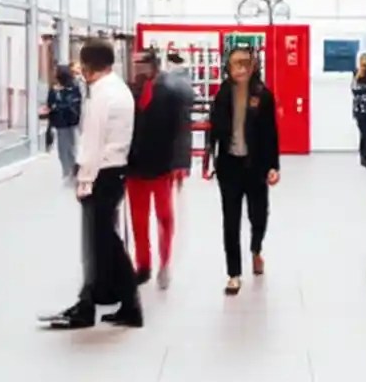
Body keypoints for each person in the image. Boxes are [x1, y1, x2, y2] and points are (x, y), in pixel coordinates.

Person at [41, 40, 143, 329]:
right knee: (101, 243)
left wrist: (84, 180)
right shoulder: (118, 89)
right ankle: (96, 301)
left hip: (102, 173)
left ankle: (123, 304)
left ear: (86, 65)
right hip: (114, 170)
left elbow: (92, 141)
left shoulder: (101, 94)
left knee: (104, 243)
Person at [204, 46, 281, 296]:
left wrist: (273, 166)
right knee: (230, 220)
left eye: (246, 63)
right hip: (229, 167)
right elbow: (213, 131)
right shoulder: (222, 95)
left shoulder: (263, 95)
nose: (241, 68)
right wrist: (208, 160)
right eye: (236, 63)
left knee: (258, 215)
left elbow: (271, 134)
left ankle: (256, 249)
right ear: (228, 67)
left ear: (253, 66)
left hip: (255, 166)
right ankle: (233, 273)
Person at [126, 51, 193, 289]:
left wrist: (181, 163)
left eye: (142, 65)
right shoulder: (128, 92)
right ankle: (142, 265)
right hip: (134, 167)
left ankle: (165, 262)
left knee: (165, 217)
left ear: (153, 66)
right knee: (138, 219)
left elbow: (182, 130)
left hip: (163, 165)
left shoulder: (171, 92)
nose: (137, 70)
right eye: (135, 65)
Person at [44, 65, 83, 182]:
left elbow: (77, 103)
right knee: (63, 149)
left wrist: (57, 107)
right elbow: (50, 105)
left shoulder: (74, 88)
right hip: (61, 122)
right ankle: (68, 171)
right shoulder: (54, 89)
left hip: (72, 121)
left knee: (70, 148)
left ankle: (71, 171)